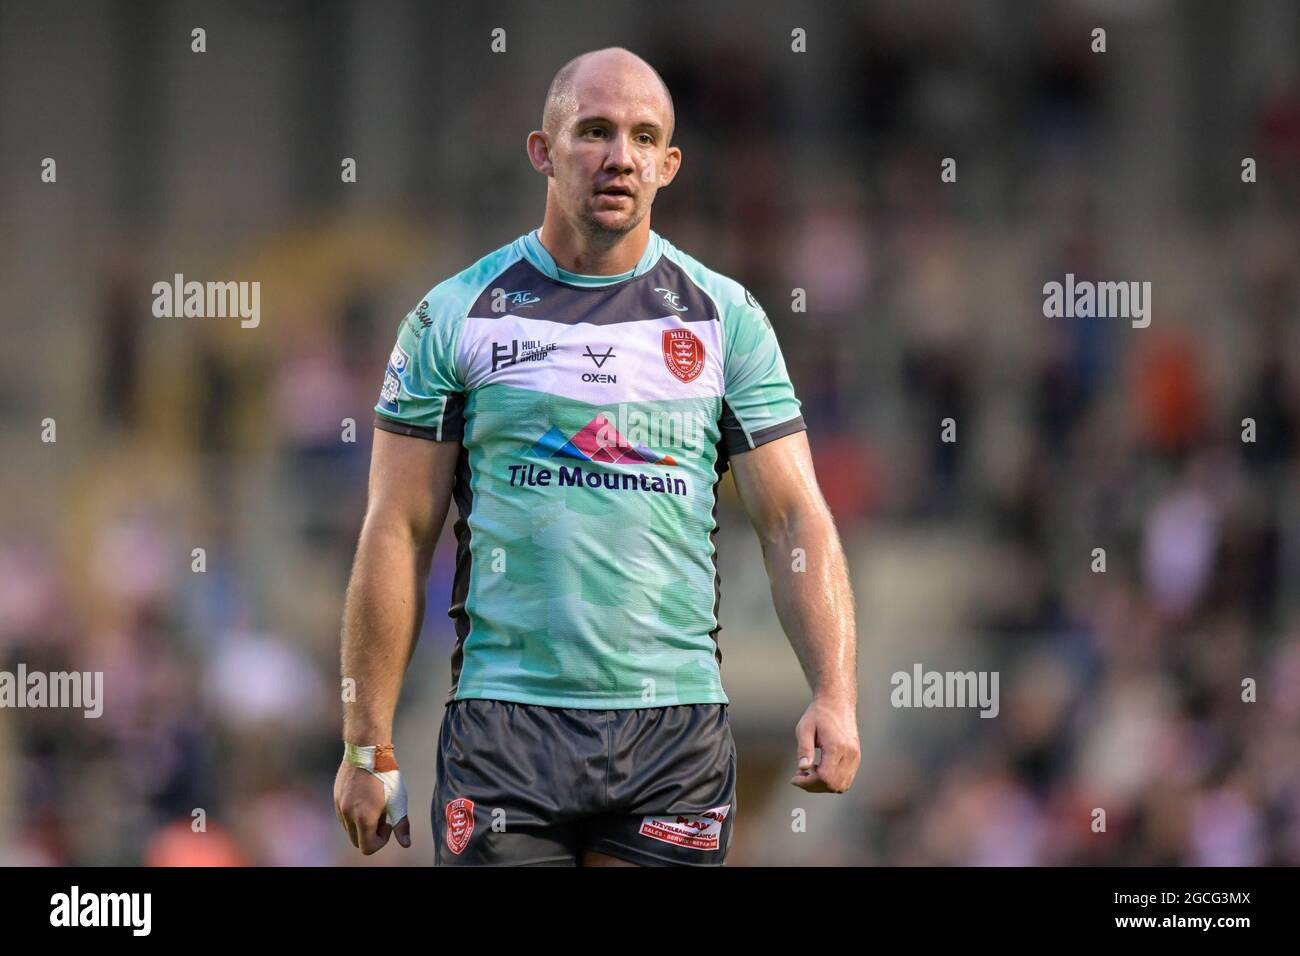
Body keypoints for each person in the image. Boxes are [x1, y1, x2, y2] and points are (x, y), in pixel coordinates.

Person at [334, 46, 859, 866]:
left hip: (673, 734)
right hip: (506, 724)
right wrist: (368, 745)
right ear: (543, 150)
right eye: (596, 131)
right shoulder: (455, 316)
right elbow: (397, 532)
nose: (621, 157)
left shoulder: (727, 320)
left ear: (670, 164)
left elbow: (794, 519)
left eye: (645, 137)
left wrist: (834, 692)